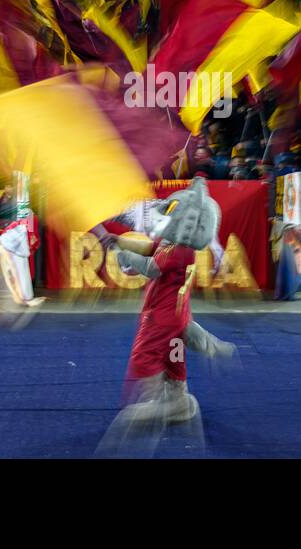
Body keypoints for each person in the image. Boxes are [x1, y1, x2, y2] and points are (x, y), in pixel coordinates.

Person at [96, 178, 235, 436]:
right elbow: (151, 248)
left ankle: (156, 403)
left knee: (145, 354)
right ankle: (178, 398)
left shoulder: (179, 249)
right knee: (174, 354)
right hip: (178, 313)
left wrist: (124, 256)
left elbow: (152, 267)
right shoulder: (173, 243)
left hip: (161, 314)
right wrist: (122, 241)